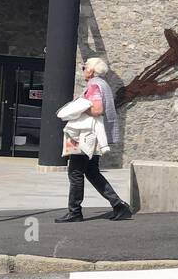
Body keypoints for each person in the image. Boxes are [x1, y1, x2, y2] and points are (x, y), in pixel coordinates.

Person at [56, 56, 132, 222]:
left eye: (84, 67)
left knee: (75, 172)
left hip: (85, 136)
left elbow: (97, 110)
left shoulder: (94, 85)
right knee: (91, 171)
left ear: (91, 70)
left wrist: (77, 109)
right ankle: (119, 205)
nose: (83, 69)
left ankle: (74, 212)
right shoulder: (103, 84)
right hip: (95, 135)